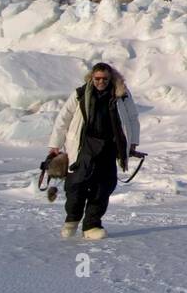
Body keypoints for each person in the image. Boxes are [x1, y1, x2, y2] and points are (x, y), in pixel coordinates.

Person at [47, 61, 141, 240]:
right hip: (84, 146)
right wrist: (54, 145)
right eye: (97, 78)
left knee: (103, 187)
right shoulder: (80, 94)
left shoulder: (122, 95)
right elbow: (63, 119)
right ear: (92, 78)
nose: (101, 82)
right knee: (76, 185)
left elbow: (132, 117)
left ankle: (91, 225)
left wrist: (133, 142)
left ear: (110, 78)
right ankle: (72, 219)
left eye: (105, 78)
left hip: (109, 147)